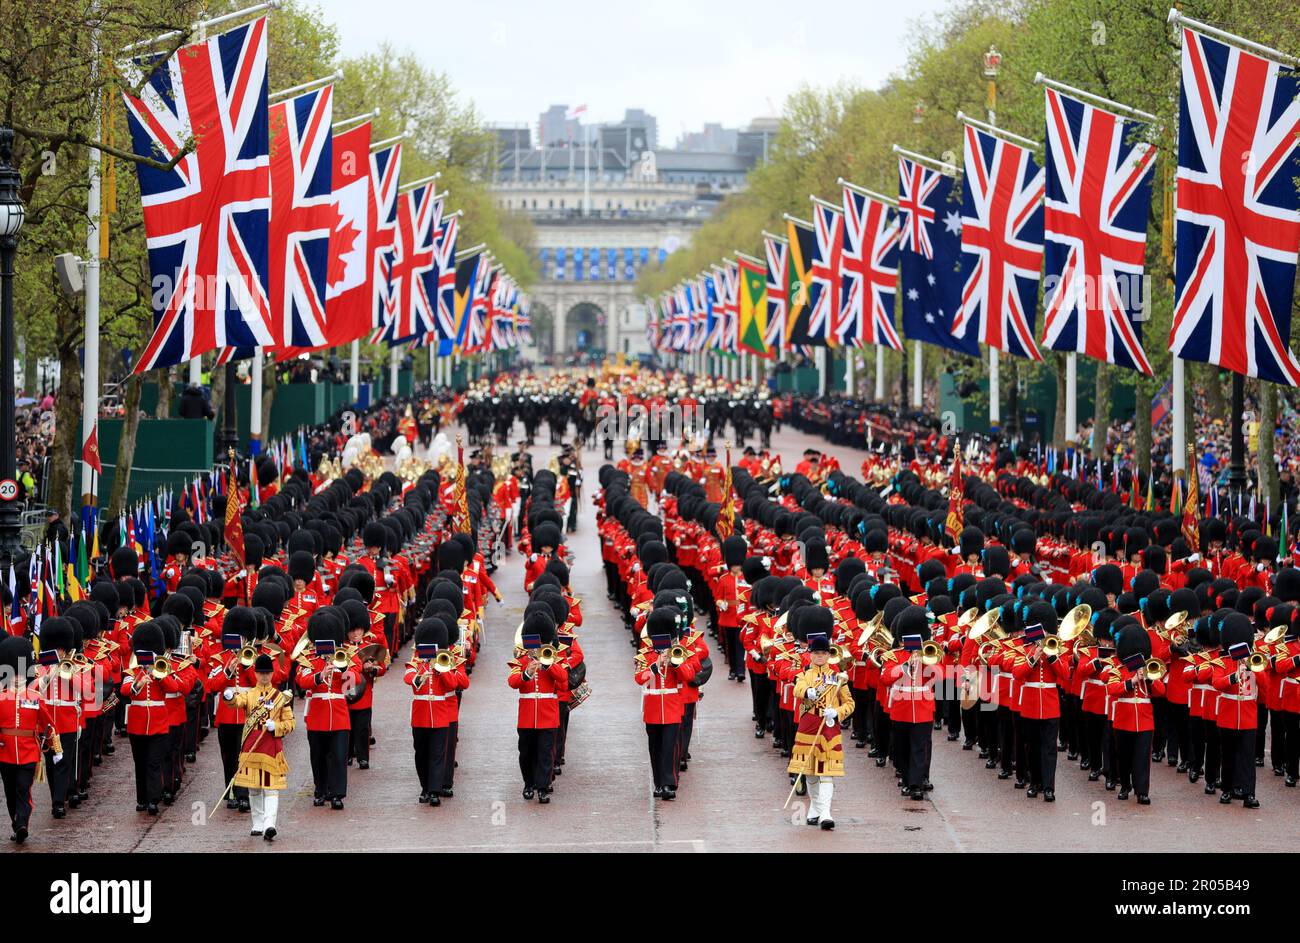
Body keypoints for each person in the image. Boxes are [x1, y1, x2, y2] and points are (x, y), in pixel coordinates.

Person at [788, 614, 854, 830]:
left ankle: (825, 812)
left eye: (823, 653)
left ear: (828, 655)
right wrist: (809, 691)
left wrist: (837, 712)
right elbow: (798, 690)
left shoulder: (838, 677)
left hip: (828, 728)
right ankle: (816, 808)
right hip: (808, 725)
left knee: (826, 772)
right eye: (816, 653)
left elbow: (850, 703)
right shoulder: (804, 675)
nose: (819, 656)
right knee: (810, 772)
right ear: (811, 655)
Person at [221, 654, 294, 840]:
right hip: (252, 746)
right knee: (253, 788)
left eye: (267, 673)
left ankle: (270, 824)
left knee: (271, 788)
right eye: (261, 673)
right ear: (255, 674)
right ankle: (258, 823)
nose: (264, 676)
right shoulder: (250, 695)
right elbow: (237, 702)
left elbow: (290, 723)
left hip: (271, 746)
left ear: (272, 673)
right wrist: (228, 696)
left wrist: (276, 727)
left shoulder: (279, 697)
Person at [0, 636, 61, 843]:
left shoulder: (34, 697)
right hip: (5, 752)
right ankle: (16, 823)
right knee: (10, 792)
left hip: (28, 753)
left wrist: (55, 748)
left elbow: (48, 724)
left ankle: (22, 825)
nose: (16, 678)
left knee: (22, 789)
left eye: (19, 674)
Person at [405, 617, 468, 806]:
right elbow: (408, 676)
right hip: (420, 713)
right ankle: (425, 787)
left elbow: (457, 683)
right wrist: (419, 677)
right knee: (421, 753)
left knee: (437, 754)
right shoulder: (417, 658)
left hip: (441, 714)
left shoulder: (448, 660)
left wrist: (441, 669)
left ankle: (434, 790)